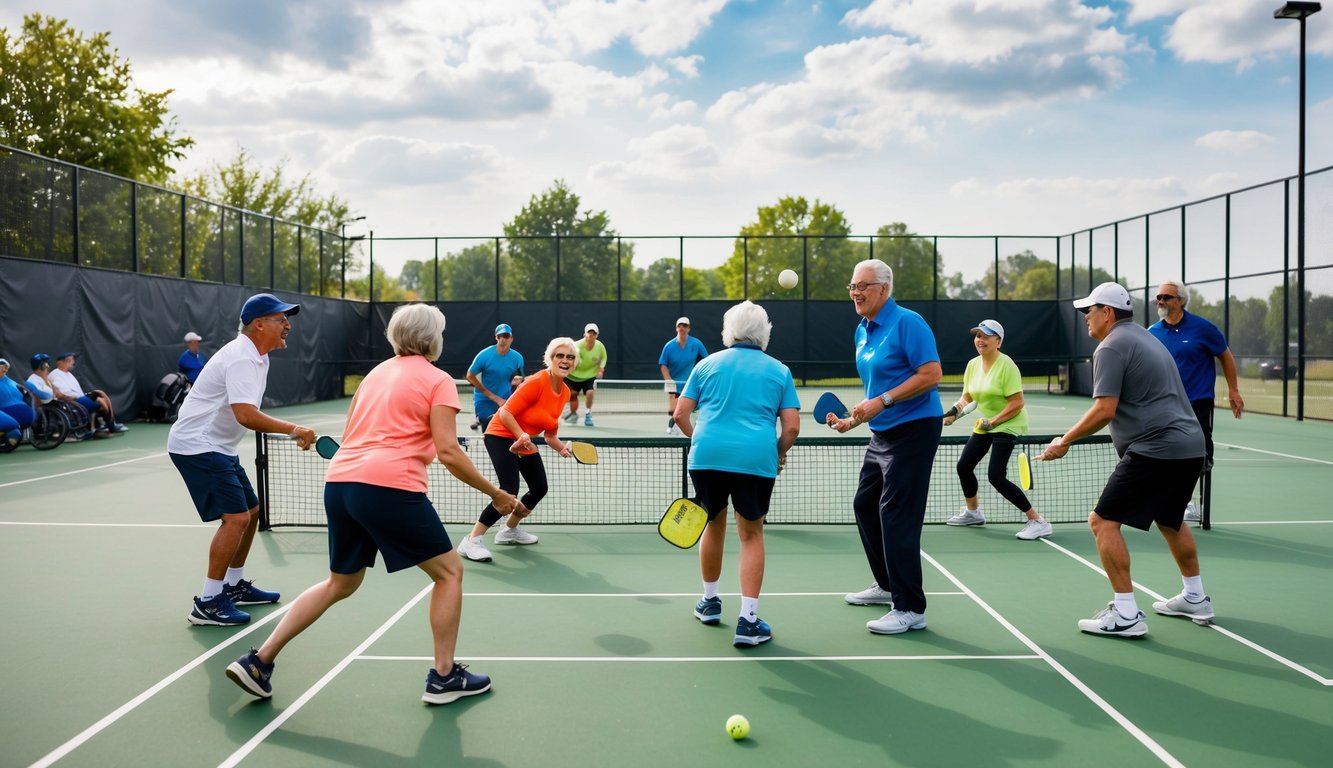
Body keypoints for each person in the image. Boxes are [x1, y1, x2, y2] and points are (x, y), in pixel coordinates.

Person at [224, 303, 521, 705]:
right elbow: (448, 451)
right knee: (449, 573)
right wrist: (497, 494)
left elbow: (352, 434)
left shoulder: (375, 375)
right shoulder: (438, 380)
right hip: (389, 486)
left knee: (340, 583)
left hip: (341, 482)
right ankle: (444, 677)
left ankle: (259, 660)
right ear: (432, 338)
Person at [1041, 282, 1211, 637]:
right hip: (1190, 446)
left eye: (1090, 310)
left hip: (1157, 448)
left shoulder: (1111, 346)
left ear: (1108, 313)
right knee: (1170, 518)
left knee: (1102, 522)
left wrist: (1064, 440)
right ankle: (1195, 596)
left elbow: (1105, 409)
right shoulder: (1147, 338)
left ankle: (1126, 614)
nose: (1086, 317)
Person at [168, 293, 316, 627]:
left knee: (250, 511)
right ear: (259, 324)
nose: (288, 325)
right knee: (235, 518)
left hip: (218, 445)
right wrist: (294, 429)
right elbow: (246, 415)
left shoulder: (257, 356)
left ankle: (233, 585)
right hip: (197, 444)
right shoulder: (241, 357)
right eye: (281, 320)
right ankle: (207, 601)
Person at [826, 259, 943, 635]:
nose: (855, 292)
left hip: (916, 429)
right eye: (852, 286)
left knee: (896, 515)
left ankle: (910, 608)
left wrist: (883, 402)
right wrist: (853, 419)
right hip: (882, 433)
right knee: (865, 504)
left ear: (884, 289)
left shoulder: (908, 322)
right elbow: (876, 394)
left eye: (863, 285)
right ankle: (887, 585)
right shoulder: (862, 330)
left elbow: (931, 374)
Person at [674, 302, 799, 647]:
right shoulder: (779, 370)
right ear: (765, 332)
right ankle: (748, 621)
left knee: (713, 524)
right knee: (751, 534)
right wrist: (777, 453)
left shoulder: (706, 364)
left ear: (728, 331)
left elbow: (681, 414)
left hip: (706, 457)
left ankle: (710, 603)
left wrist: (700, 440)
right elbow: (791, 428)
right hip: (756, 459)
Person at [457, 337, 580, 562]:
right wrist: (520, 434)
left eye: (570, 357)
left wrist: (562, 449)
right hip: (500, 435)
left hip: (523, 440)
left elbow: (550, 434)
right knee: (509, 489)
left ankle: (509, 531)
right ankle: (471, 541)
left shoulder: (563, 392)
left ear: (574, 363)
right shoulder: (535, 382)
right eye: (559, 355)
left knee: (539, 487)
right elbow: (505, 412)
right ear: (550, 359)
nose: (565, 360)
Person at [944, 320, 1052, 540]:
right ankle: (973, 513)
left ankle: (1037, 521)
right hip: (987, 424)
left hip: (1008, 422)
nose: (980, 340)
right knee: (964, 466)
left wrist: (993, 422)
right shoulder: (973, 365)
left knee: (995, 475)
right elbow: (968, 396)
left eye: (986, 336)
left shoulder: (1007, 366)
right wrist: (953, 412)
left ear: (998, 341)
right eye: (977, 336)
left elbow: (1017, 403)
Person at [1148, 280, 1244, 523]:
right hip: (1164, 404)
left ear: (1180, 300)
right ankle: (1180, 501)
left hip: (1198, 403)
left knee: (1198, 454)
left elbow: (1225, 355)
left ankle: (1188, 500)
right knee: (1165, 451)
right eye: (1158, 297)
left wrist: (1233, 390)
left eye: (1166, 297)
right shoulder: (1152, 332)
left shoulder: (1203, 328)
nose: (1160, 301)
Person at [47, 352, 128, 436]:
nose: (73, 362)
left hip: (80, 397)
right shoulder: (54, 375)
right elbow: (63, 394)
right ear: (60, 362)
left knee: (101, 395)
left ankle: (110, 424)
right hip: (71, 401)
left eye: (72, 360)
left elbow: (78, 391)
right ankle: (108, 426)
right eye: (70, 360)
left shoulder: (69, 374)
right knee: (99, 402)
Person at [466, 323, 526, 433]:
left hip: (505, 399)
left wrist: (516, 383)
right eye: (500, 336)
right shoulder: (484, 355)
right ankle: (479, 418)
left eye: (506, 336)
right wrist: (493, 397)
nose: (503, 339)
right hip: (484, 399)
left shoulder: (517, 358)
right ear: (496, 338)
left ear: (511, 338)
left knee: (506, 430)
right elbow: (470, 375)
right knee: (488, 426)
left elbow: (521, 379)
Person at [659, 316, 708, 437]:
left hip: (690, 384)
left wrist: (701, 375)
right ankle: (673, 426)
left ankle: (675, 427)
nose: (682, 328)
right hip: (674, 385)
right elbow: (663, 365)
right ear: (676, 328)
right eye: (679, 325)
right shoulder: (669, 346)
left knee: (687, 410)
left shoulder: (696, 344)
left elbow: (706, 360)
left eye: (685, 326)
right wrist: (668, 380)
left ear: (689, 329)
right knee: (675, 411)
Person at [562, 323, 606, 427]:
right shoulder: (576, 345)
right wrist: (574, 363)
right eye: (589, 333)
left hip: (589, 376)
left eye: (594, 333)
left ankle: (588, 413)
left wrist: (601, 369)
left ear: (597, 335)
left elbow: (604, 357)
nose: (591, 335)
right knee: (573, 395)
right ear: (584, 334)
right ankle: (572, 413)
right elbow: (570, 356)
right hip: (573, 376)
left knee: (590, 393)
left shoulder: (600, 346)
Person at [0, 359, 36, 447]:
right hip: (28, 418)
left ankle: (12, 432)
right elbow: (29, 398)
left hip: (16, 420)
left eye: (4, 367)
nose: (3, 369)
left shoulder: (14, 384)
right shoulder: (16, 384)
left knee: (12, 428)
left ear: (6, 369)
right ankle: (12, 433)